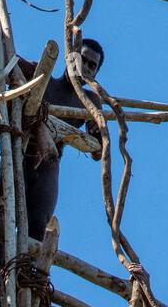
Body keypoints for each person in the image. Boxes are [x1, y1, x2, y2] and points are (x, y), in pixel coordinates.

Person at [18, 38, 105, 242]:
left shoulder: (90, 102)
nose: (86, 67)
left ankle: (27, 272)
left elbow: (97, 152)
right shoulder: (41, 75)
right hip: (19, 154)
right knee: (3, 215)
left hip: (48, 165)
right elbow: (4, 57)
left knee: (39, 225)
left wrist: (96, 132)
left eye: (92, 65)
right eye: (82, 59)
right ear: (70, 57)